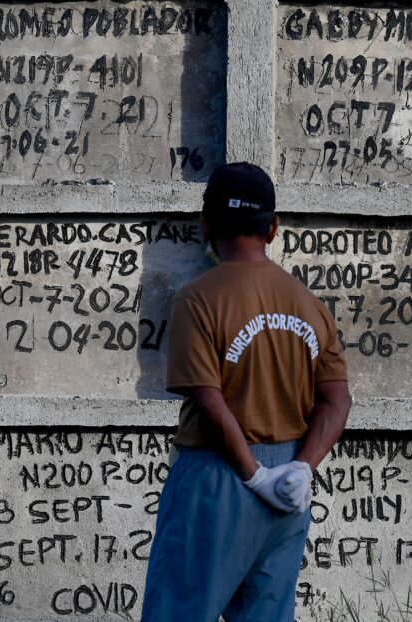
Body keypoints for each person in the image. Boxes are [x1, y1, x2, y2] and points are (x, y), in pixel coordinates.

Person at [140, 163, 351, 622]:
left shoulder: (198, 298)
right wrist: (298, 469)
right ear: (273, 228)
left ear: (206, 225)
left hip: (219, 475)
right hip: (288, 487)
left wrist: (254, 475)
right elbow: (337, 400)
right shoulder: (310, 305)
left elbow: (209, 399)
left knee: (179, 611)